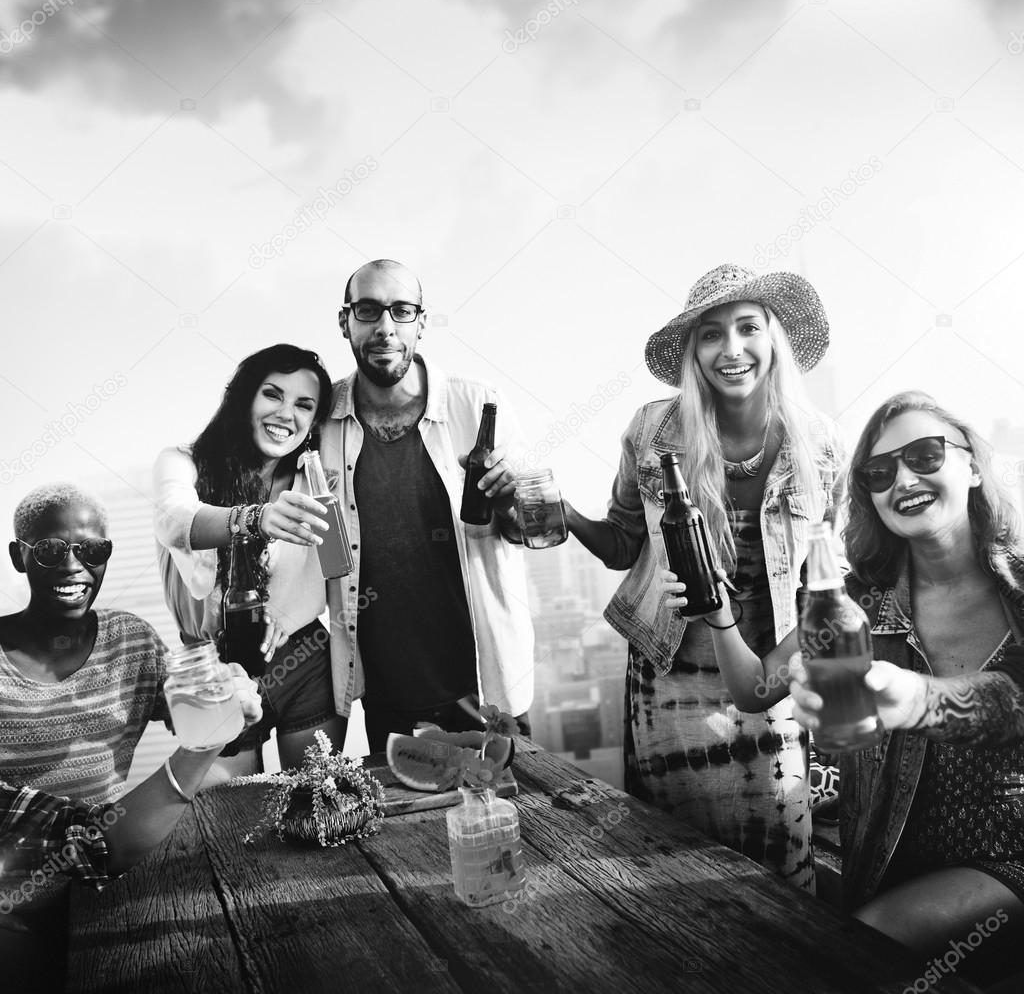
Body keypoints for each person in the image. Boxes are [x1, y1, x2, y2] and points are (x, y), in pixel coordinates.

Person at [684, 391, 1024, 976]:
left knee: (865, 946)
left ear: (970, 465)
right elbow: (756, 690)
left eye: (925, 454)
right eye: (880, 472)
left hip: (1008, 855)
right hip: (888, 857)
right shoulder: (856, 605)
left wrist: (912, 697)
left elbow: (1013, 702)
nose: (904, 479)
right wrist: (714, 608)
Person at [565, 263, 842, 891]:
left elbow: (830, 578)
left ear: (775, 340)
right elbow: (620, 542)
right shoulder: (652, 429)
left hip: (770, 678)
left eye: (749, 328)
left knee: (782, 864)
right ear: (693, 352)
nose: (732, 349)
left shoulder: (820, 444)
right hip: (666, 680)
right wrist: (565, 514)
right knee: (675, 867)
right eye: (711, 334)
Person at [319, 258, 533, 752]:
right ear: (344, 321)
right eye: (368, 311)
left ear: (422, 321)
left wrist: (509, 500)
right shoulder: (323, 421)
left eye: (401, 310)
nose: (384, 327)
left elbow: (525, 530)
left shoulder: (480, 405)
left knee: (512, 818)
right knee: (409, 824)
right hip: (384, 689)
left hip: (486, 679)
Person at [0, 666, 261, 993]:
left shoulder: (135, 642)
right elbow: (94, 844)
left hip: (88, 897)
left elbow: (96, 843)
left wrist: (216, 704)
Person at [154, 343, 346, 776]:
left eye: (304, 404)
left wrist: (287, 615)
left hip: (303, 660)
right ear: (244, 398)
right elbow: (175, 521)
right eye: (272, 394)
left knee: (317, 801)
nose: (286, 413)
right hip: (215, 668)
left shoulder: (318, 481)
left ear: (314, 421)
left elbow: (336, 569)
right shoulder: (182, 464)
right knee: (234, 820)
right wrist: (256, 518)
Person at [0, 484, 168, 804]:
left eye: (91, 549)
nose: (72, 566)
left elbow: (207, 727)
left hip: (102, 847)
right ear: (17, 557)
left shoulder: (132, 642)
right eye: (50, 549)